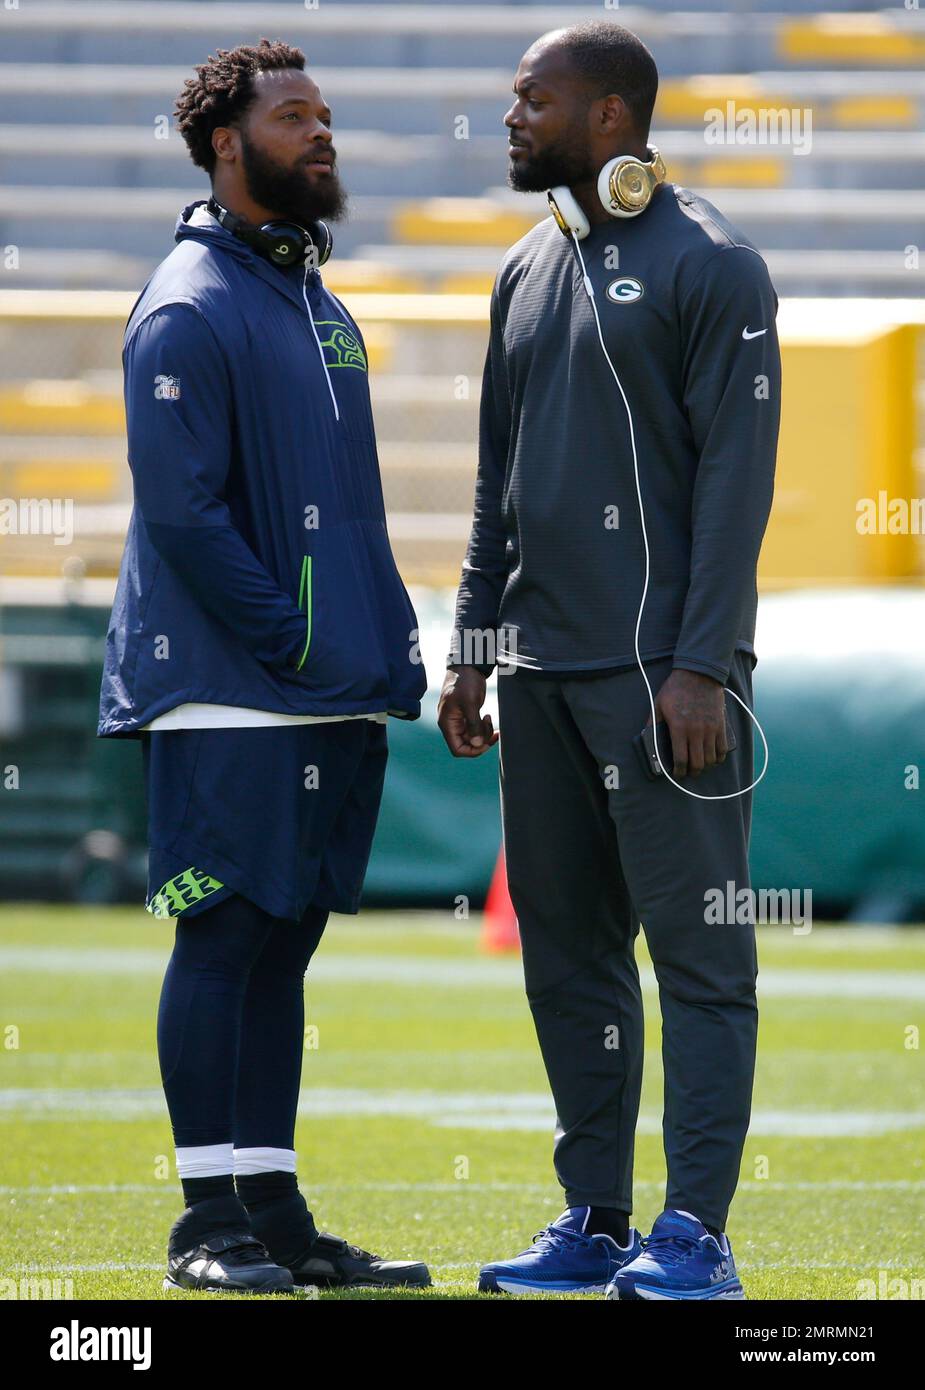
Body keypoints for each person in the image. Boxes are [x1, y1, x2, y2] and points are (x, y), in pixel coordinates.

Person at [438, 21, 780, 1300]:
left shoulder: (715, 266)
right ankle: (592, 1221)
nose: (510, 118)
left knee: (699, 958)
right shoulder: (524, 267)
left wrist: (704, 664)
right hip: (537, 680)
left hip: (665, 685)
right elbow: (495, 487)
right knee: (568, 959)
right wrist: (472, 649)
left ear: (612, 118)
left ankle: (695, 1235)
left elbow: (739, 492)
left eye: (532, 99)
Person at [99, 38, 430, 1294]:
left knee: (284, 939)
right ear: (227, 141)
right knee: (222, 939)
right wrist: (292, 636)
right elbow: (183, 517)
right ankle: (207, 1226)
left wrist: (373, 642)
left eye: (327, 113)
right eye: (296, 116)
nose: (322, 133)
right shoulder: (190, 300)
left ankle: (275, 1214)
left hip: (329, 685)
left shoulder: (311, 296)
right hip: (229, 689)